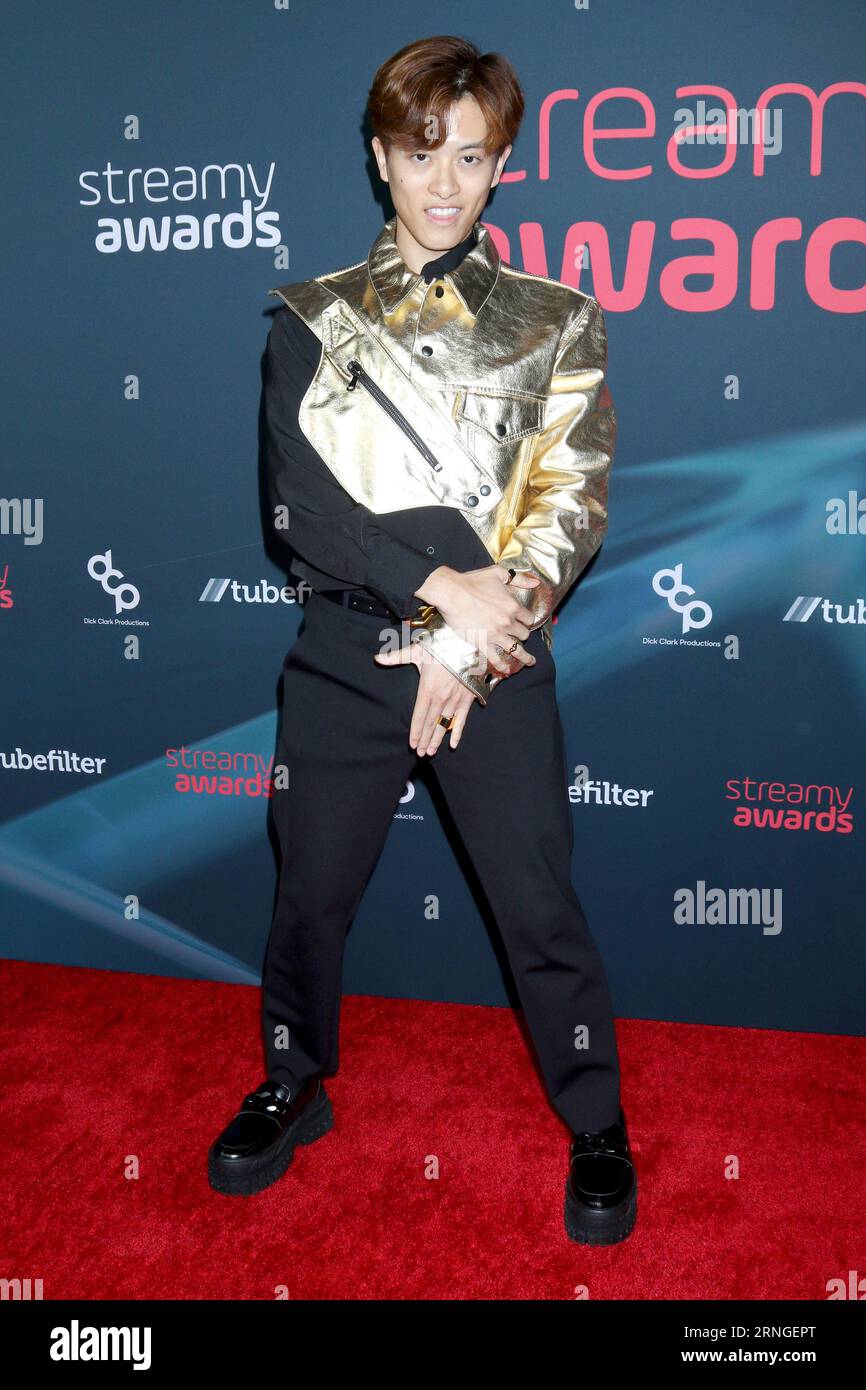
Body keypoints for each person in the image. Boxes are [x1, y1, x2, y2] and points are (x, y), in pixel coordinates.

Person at [208, 34, 637, 1245]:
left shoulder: (558, 321)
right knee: (310, 892)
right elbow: (297, 510)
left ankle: (595, 1118)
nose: (441, 182)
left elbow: (570, 501)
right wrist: (434, 588)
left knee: (536, 900)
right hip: (341, 655)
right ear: (376, 156)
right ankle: (294, 1082)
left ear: (501, 165)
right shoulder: (310, 320)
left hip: (497, 655)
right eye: (417, 151)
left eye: (469, 155)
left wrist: (466, 639)